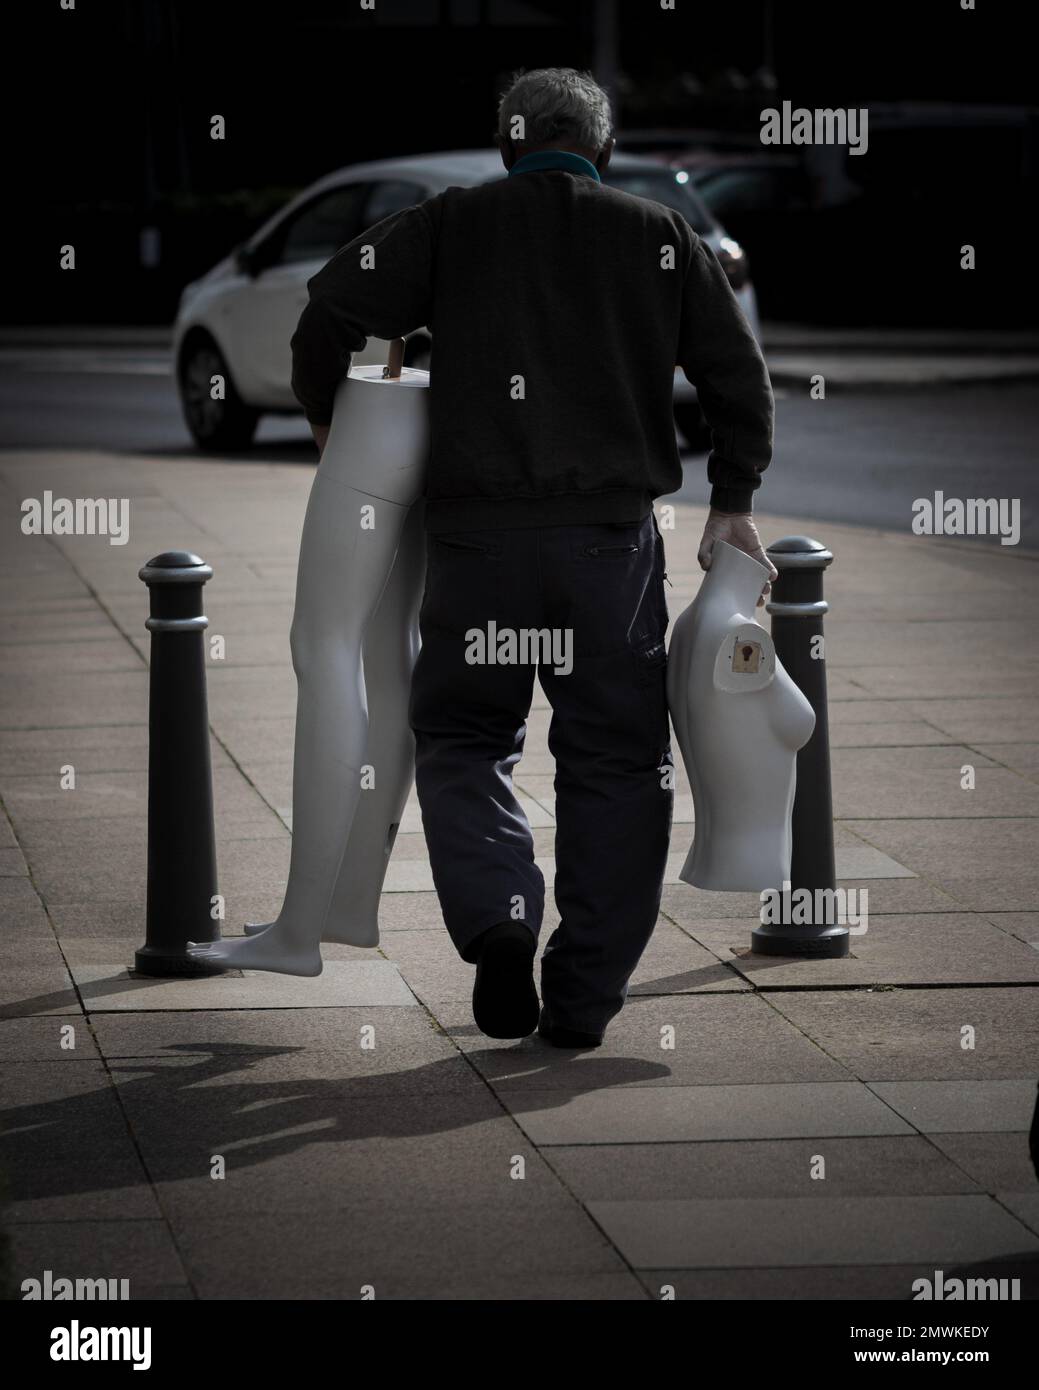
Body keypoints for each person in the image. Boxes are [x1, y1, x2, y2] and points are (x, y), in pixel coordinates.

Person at [290, 67, 775, 1048]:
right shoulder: (657, 235)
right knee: (617, 765)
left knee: (463, 740)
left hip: (477, 547)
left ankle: (500, 919)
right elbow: (736, 372)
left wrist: (329, 421)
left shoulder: (449, 223)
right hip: (608, 552)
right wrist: (731, 497)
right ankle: (584, 998)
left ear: (511, 146)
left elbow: (329, 312)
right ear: (599, 151)